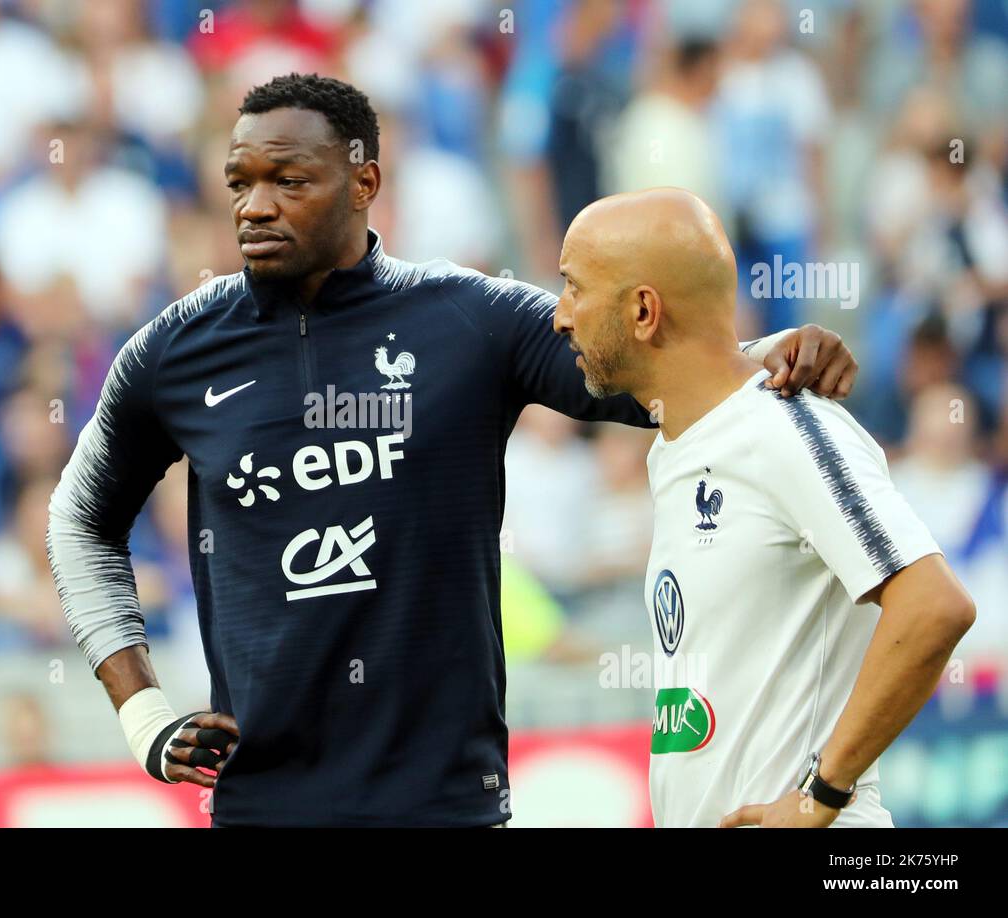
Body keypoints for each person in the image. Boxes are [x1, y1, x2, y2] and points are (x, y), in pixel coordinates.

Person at [47, 74, 857, 828]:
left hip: (447, 805)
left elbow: (647, 375)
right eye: (240, 183)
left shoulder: (471, 320)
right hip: (263, 806)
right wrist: (143, 714)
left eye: (289, 182)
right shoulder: (174, 351)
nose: (255, 207)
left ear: (365, 184)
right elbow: (79, 521)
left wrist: (779, 348)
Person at [551, 187, 975, 827]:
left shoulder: (786, 429)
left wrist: (820, 796)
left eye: (573, 287)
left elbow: (934, 605)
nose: (560, 315)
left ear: (644, 311)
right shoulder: (676, 446)